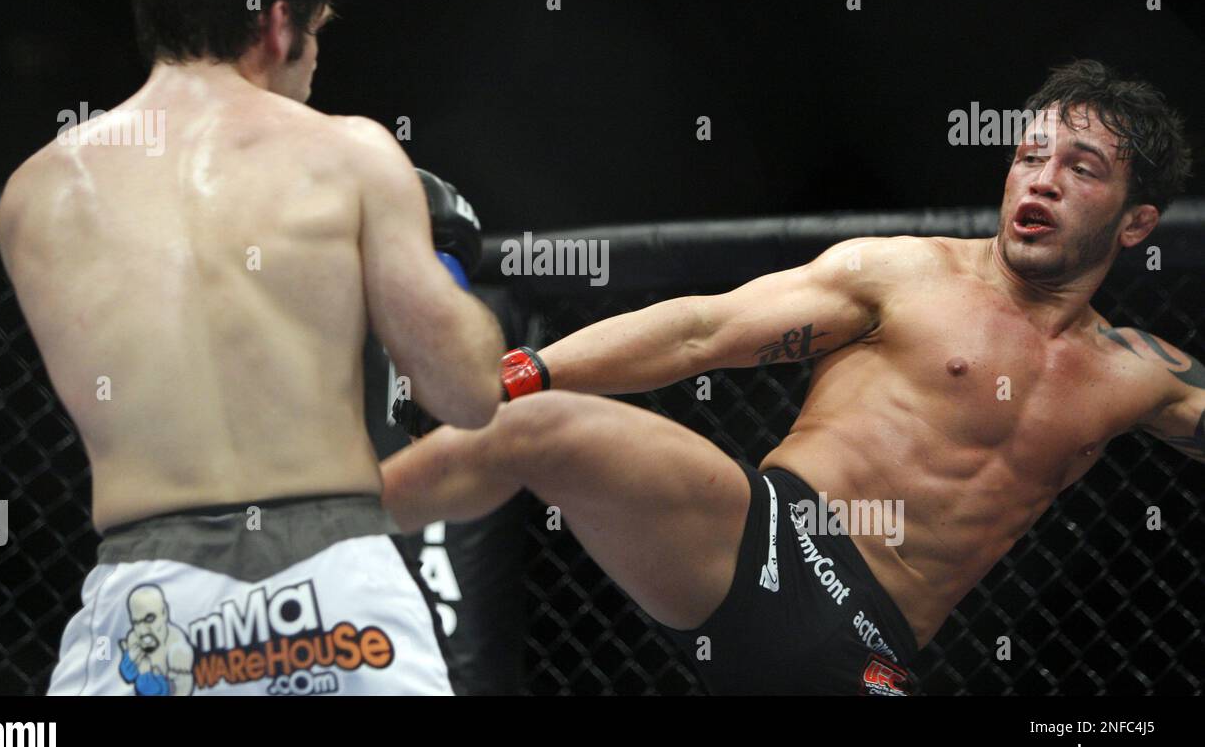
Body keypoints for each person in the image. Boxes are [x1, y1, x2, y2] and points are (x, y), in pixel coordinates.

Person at [383, 59, 1200, 694]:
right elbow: (704, 330)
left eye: (1083, 168)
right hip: (764, 543)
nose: (1043, 180)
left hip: (870, 655)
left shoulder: (1140, 374)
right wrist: (523, 371)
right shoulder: (901, 275)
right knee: (540, 427)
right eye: (1029, 156)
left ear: (1136, 222)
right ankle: (312, 527)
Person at [0, 0, 504, 695]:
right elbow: (470, 394)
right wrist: (445, 274)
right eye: (315, 34)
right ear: (276, 23)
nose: (313, 63)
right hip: (336, 591)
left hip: (149, 602)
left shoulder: (40, 193)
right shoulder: (350, 155)